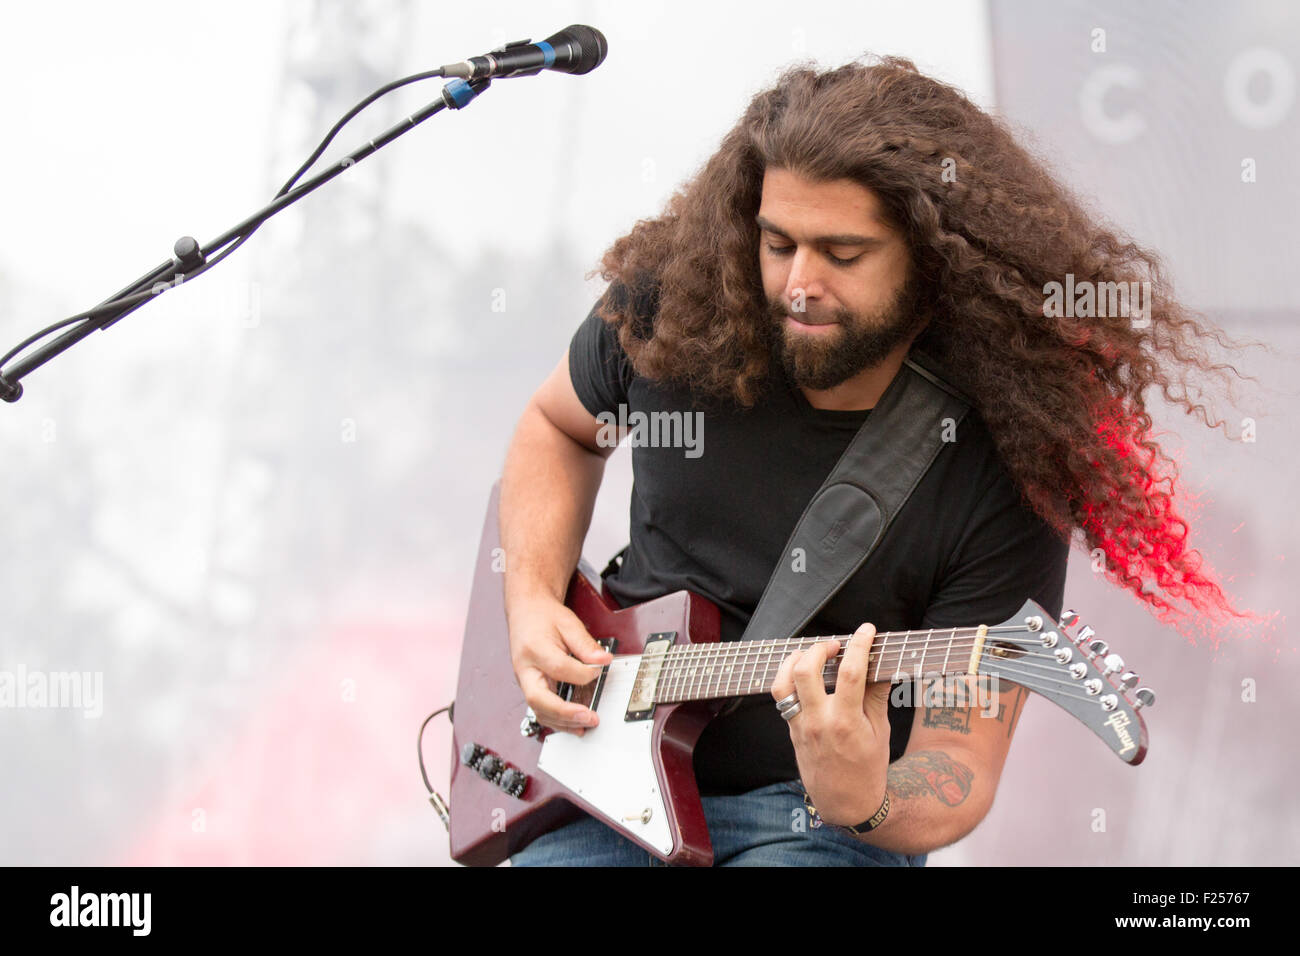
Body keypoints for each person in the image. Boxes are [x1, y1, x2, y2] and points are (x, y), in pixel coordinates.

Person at [497, 56, 1248, 866]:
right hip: (592, 780)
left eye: (842, 254)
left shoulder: (1003, 466)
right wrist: (532, 601)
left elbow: (955, 763)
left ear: (931, 262)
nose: (797, 284)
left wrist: (870, 799)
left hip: (814, 824)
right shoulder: (676, 307)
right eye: (777, 244)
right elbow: (560, 427)